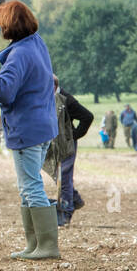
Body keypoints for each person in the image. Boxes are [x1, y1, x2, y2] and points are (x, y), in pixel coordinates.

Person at [0, 0, 60, 260]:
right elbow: (20, 24)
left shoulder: (18, 55)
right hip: (42, 128)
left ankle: (47, 246)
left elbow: (4, 91)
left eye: (1, 24)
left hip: (26, 130)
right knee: (28, 186)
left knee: (31, 187)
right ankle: (34, 245)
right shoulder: (35, 42)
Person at [51, 82, 93, 227]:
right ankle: (75, 199)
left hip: (67, 143)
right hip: (55, 142)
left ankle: (66, 212)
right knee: (60, 177)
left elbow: (87, 116)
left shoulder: (68, 99)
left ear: (54, 86)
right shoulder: (49, 96)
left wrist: (74, 136)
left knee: (64, 176)